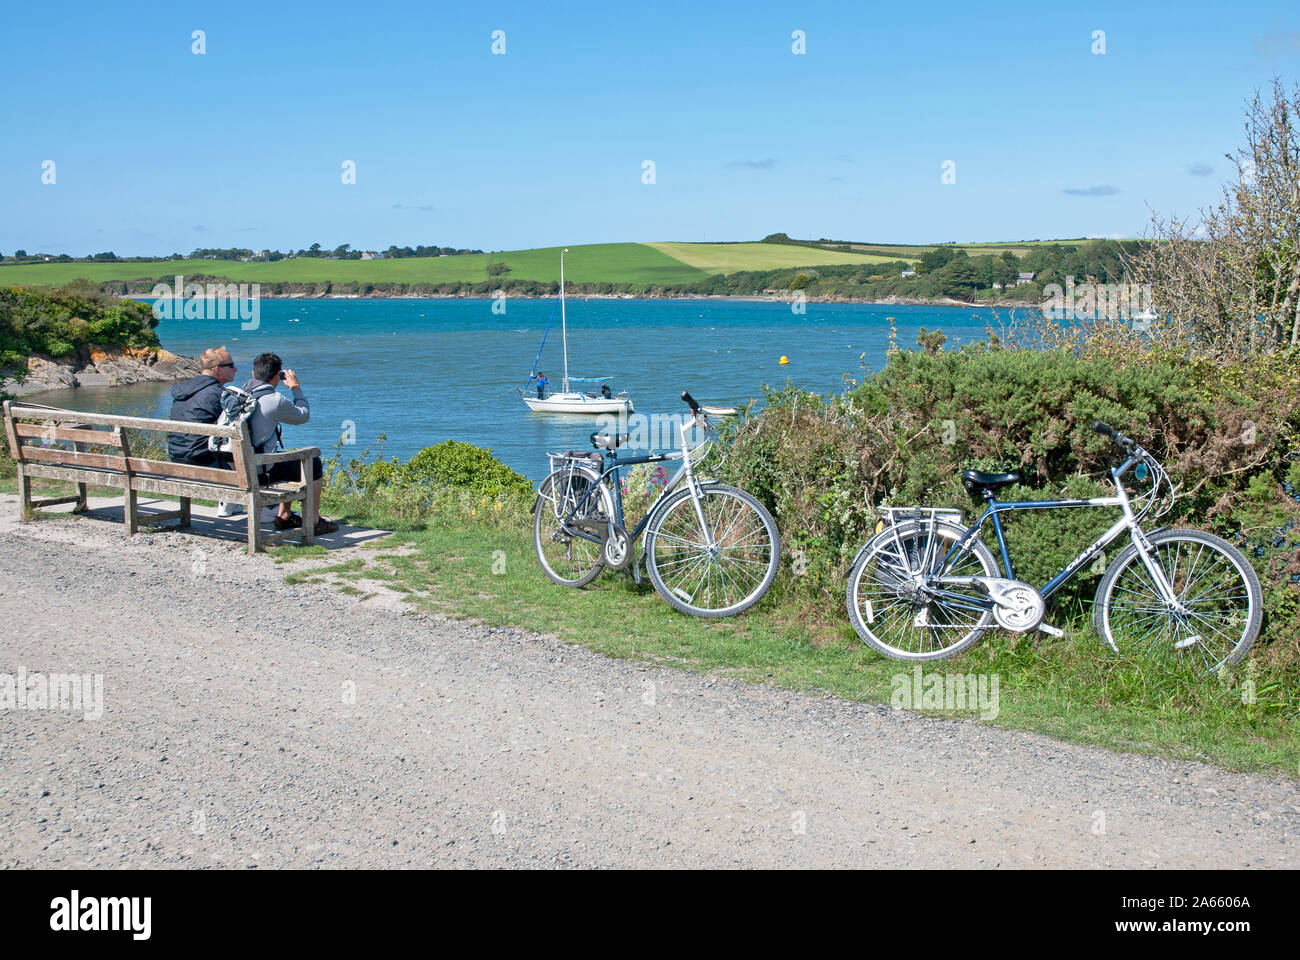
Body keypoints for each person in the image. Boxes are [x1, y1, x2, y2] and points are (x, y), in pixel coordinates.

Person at [242, 352, 339, 536]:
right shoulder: (274, 400)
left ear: (254, 374)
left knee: (287, 459)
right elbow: (303, 415)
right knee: (312, 463)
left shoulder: (238, 395)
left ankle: (285, 515)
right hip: (257, 471)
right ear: (278, 376)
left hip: (234, 467)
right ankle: (313, 521)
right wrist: (296, 388)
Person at [167, 346, 243, 516]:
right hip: (201, 460)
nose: (235, 369)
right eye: (231, 365)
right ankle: (233, 502)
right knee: (248, 453)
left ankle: (230, 501)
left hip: (176, 454)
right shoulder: (218, 395)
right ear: (217, 369)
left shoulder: (183, 391)